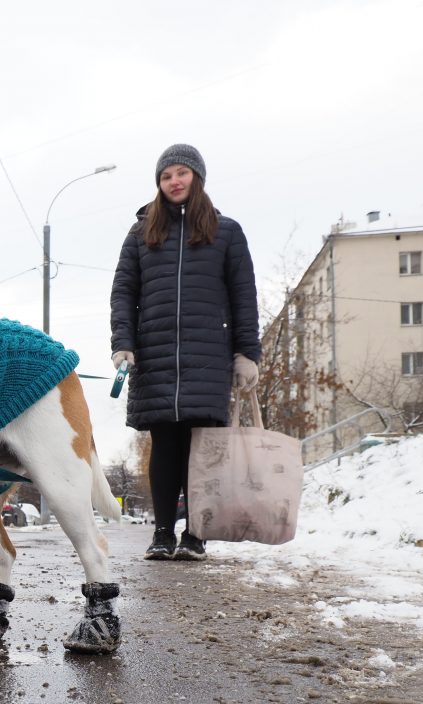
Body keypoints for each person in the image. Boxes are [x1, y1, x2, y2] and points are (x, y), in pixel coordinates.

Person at [109, 144, 260, 561]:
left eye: (182, 173)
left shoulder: (226, 232)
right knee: (165, 445)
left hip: (209, 355)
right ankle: (162, 533)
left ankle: (196, 533)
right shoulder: (140, 235)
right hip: (156, 356)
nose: (174, 181)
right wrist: (122, 343)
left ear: (198, 177)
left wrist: (247, 353)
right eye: (166, 176)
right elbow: (124, 292)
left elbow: (243, 296)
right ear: (159, 184)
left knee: (201, 449)